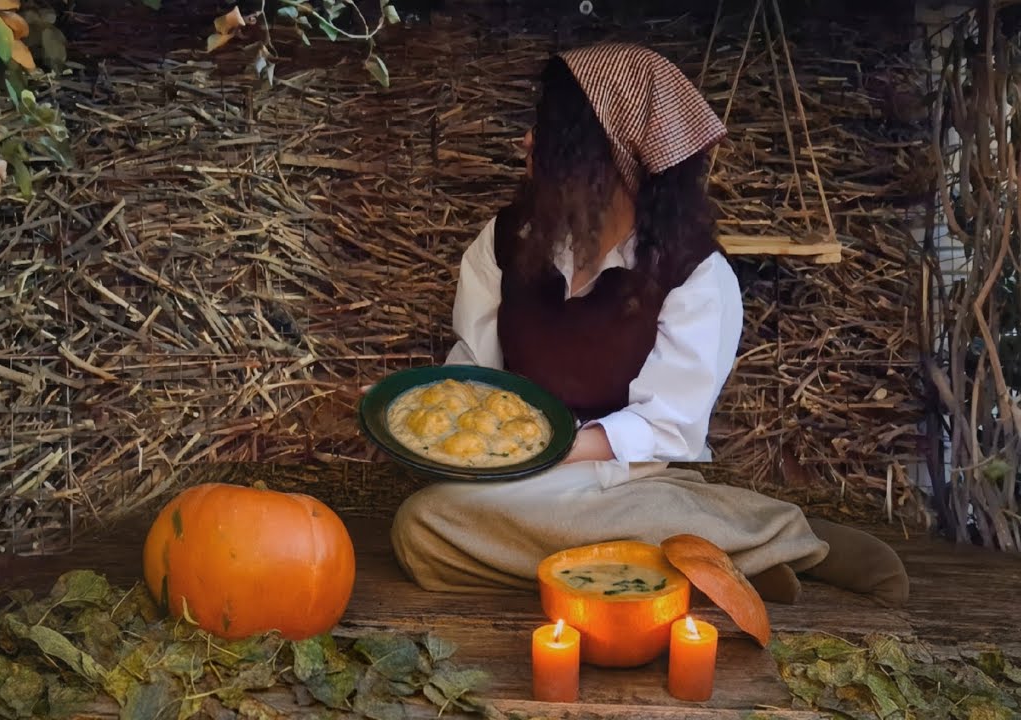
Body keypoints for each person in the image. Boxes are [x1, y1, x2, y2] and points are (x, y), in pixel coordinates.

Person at [389, 42, 909, 607]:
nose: (528, 143)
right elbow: (473, 371)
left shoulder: (695, 276)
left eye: (550, 127)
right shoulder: (505, 240)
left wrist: (556, 451)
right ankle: (702, 560)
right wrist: (438, 426)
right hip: (508, 479)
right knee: (426, 529)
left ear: (607, 156)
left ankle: (776, 535)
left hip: (630, 482)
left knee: (630, 512)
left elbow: (667, 428)